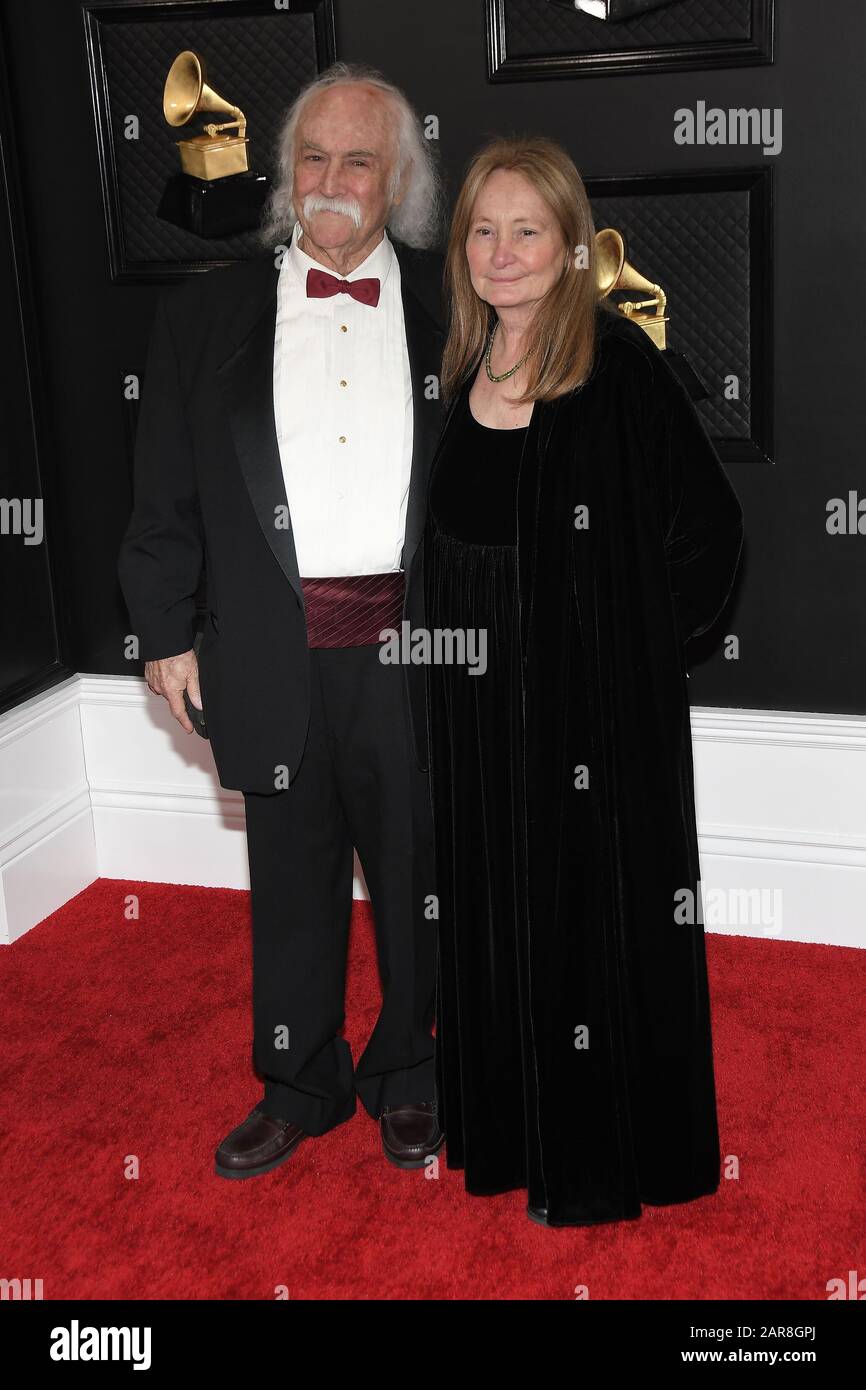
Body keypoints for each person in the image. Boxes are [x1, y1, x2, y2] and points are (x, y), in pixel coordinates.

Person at [118, 62, 448, 1179]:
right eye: (312, 156)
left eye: (359, 158)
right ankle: (297, 1083)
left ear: (396, 175)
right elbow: (160, 488)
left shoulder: (460, 304)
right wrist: (164, 631)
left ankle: (411, 1072)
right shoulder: (206, 315)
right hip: (269, 643)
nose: (331, 179)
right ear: (283, 174)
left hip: (417, 648)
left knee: (417, 876)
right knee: (290, 887)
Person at [423, 136, 744, 1227]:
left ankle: (606, 1154)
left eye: (526, 230)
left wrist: (628, 667)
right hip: (475, 711)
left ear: (569, 249)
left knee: (583, 920)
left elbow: (707, 536)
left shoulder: (616, 368)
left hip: (584, 720)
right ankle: (508, 1129)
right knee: (498, 910)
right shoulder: (465, 371)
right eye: (481, 229)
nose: (500, 252)